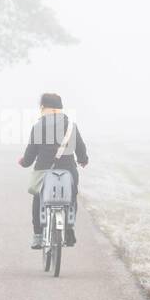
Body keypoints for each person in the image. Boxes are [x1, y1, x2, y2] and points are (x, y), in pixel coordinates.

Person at [18, 93, 88, 249]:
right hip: (68, 170)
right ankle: (69, 229)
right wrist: (83, 160)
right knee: (71, 196)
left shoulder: (38, 126)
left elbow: (30, 154)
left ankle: (37, 235)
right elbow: (80, 148)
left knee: (38, 196)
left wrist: (24, 162)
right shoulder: (71, 126)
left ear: (43, 107)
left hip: (44, 170)